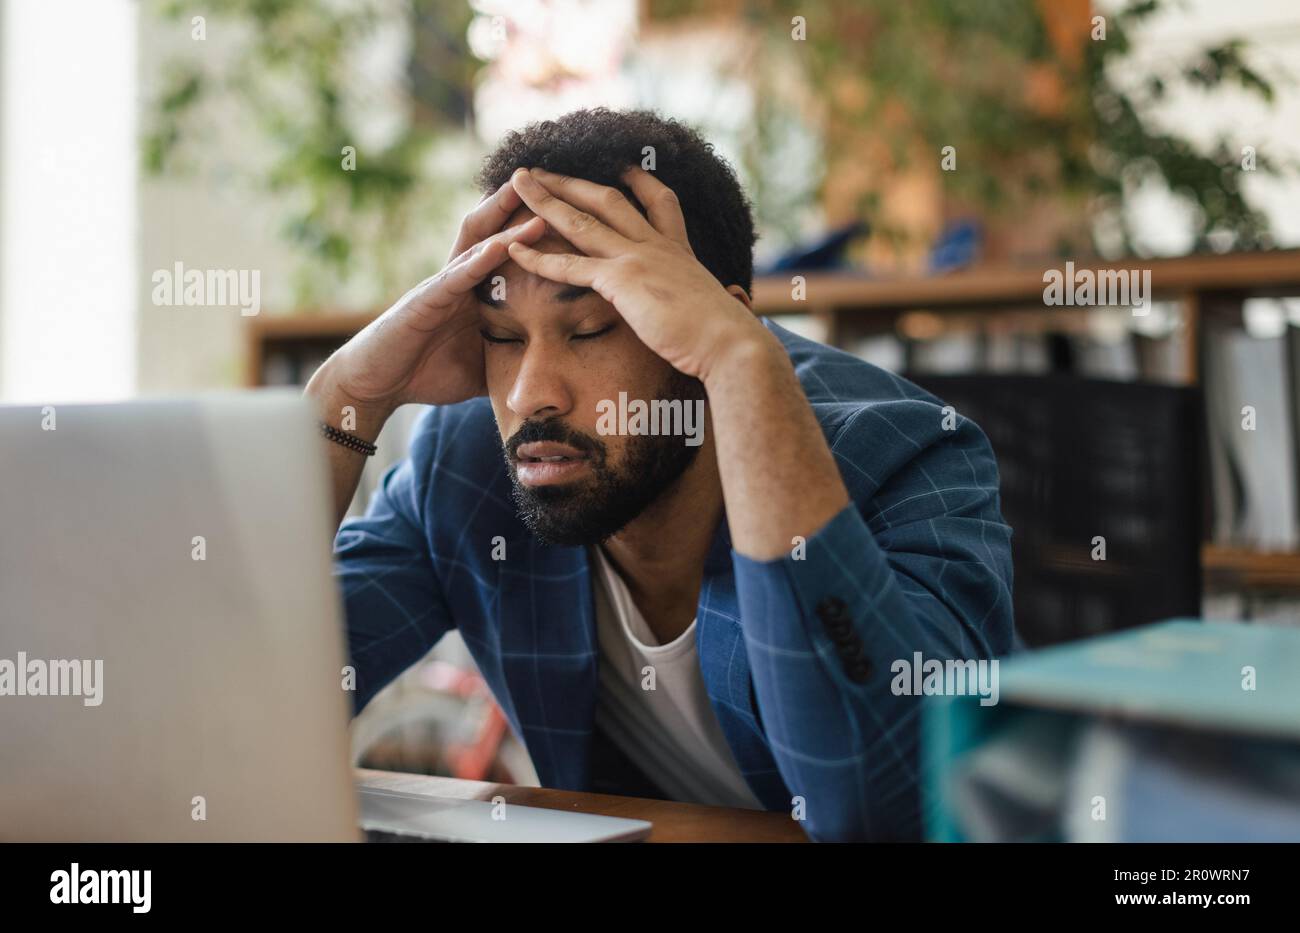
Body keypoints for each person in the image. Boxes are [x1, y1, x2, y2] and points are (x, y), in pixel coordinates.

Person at [305, 107, 1014, 842]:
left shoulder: (905, 455)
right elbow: (246, 702)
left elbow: (879, 810)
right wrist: (350, 399)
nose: (529, 394)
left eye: (589, 331)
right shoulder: (465, 467)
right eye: (502, 338)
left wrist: (742, 368)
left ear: (715, 324)